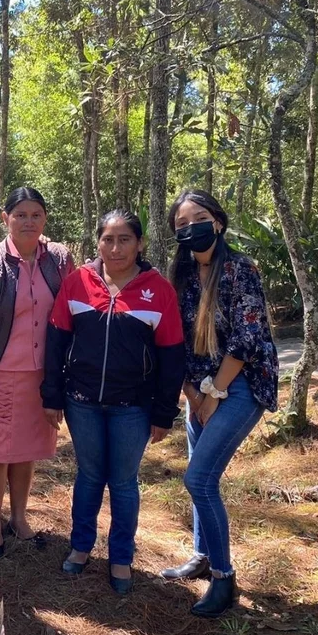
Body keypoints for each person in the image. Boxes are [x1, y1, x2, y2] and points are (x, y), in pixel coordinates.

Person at [42, 209, 186, 594]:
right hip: (81, 402)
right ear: (98, 243)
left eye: (125, 239)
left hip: (133, 408)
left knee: (123, 483)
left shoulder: (159, 290)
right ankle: (80, 547)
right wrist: (51, 396)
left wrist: (164, 412)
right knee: (89, 477)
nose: (116, 247)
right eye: (108, 239)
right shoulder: (78, 283)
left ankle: (121, 558)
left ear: (140, 244)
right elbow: (56, 343)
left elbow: (173, 357)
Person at [159, 189, 279, 618]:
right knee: (199, 469)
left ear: (219, 222)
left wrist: (212, 396)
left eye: (199, 218)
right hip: (199, 386)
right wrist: (194, 394)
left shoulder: (241, 270)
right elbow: (177, 346)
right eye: (181, 225)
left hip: (242, 383)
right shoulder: (183, 277)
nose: (190, 228)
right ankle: (202, 555)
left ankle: (224, 579)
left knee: (199, 479)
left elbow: (248, 340)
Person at [0, 187, 74, 558]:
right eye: (20, 214)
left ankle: (19, 516)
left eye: (36, 214)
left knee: (25, 451)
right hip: (0, 374)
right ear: (5, 218)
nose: (28, 221)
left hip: (42, 375)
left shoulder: (58, 258)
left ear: (45, 219)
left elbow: (76, 305)